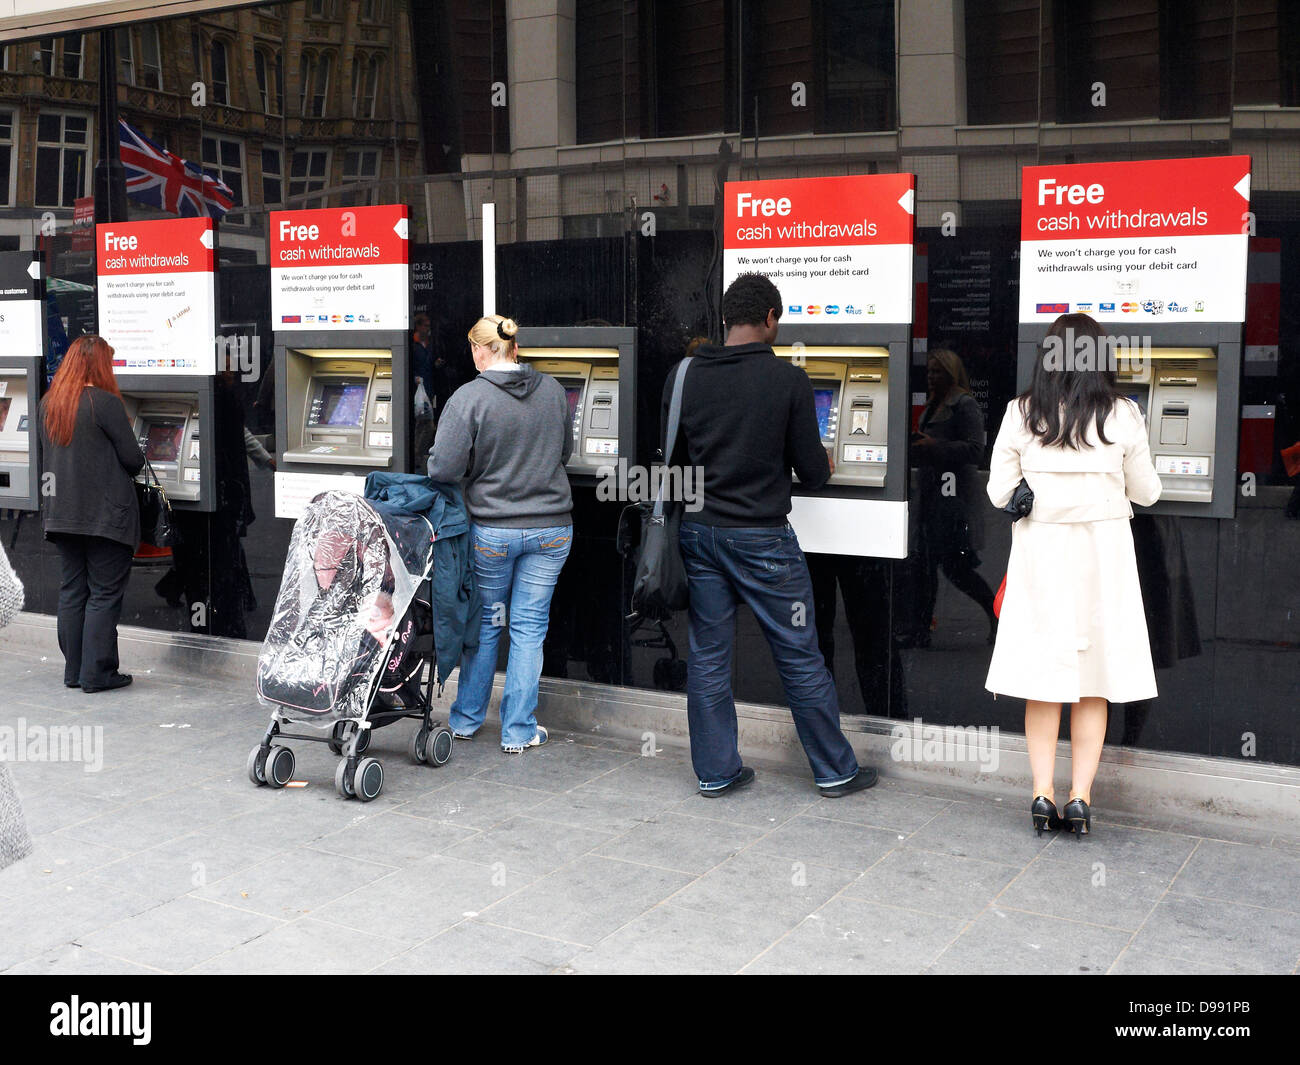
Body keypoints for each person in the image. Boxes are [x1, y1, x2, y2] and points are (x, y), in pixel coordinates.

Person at [665, 273, 876, 798]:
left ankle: (717, 771)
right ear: (770, 320)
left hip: (700, 534)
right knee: (798, 654)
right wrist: (816, 459)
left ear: (726, 319)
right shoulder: (788, 381)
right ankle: (834, 770)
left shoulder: (686, 374)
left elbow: (672, 457)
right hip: (761, 540)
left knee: (709, 656)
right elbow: (815, 471)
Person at [986, 313, 1162, 837]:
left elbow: (999, 492)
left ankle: (1042, 794)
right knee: (1093, 684)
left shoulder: (1022, 413)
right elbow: (1148, 492)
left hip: (1042, 560)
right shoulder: (1124, 415)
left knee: (1044, 681)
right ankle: (1081, 798)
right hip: (1102, 565)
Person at [427, 314, 573, 752]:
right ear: (514, 347)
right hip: (551, 529)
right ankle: (518, 731)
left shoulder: (469, 398)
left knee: (488, 623)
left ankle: (468, 720)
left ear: (479, 350)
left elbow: (442, 468)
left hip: (493, 532)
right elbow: (564, 451)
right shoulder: (551, 390)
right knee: (530, 628)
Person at [39, 334, 144, 693]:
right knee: (103, 593)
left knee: (72, 591)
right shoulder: (104, 403)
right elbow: (133, 459)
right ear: (99, 365)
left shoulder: (50, 403)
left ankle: (75, 672)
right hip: (104, 516)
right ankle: (97, 673)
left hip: (62, 514)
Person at [907, 348, 998, 646]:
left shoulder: (964, 405)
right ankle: (920, 629)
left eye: (937, 372)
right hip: (934, 496)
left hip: (953, 498)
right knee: (929, 565)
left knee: (954, 567)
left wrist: (934, 445)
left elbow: (975, 450)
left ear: (950, 373)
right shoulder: (935, 404)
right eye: (930, 371)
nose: (931, 377)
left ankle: (998, 616)